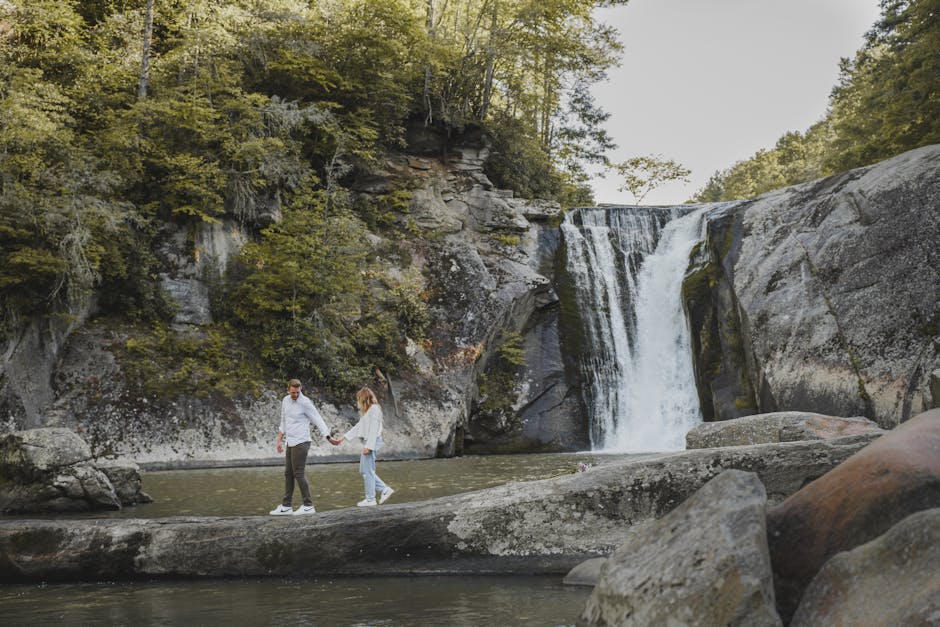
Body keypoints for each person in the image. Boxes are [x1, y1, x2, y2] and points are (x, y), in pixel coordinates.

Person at [269, 379, 332, 516]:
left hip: (302, 442)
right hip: (290, 442)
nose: (296, 395)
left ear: (301, 389)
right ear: (288, 390)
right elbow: (283, 422)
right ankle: (286, 506)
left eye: (298, 392)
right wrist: (279, 441)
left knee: (299, 473)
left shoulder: (305, 403)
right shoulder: (285, 401)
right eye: (293, 392)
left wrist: (328, 436)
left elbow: (318, 419)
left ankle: (308, 505)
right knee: (288, 473)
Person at [328, 386, 394, 507]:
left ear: (363, 399)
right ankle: (384, 490)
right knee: (364, 470)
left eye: (358, 399)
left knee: (368, 471)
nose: (357, 402)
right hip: (369, 442)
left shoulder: (374, 410)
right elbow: (359, 426)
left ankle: (371, 499)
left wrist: (369, 447)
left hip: (372, 442)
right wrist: (343, 438)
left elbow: (374, 430)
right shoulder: (369, 411)